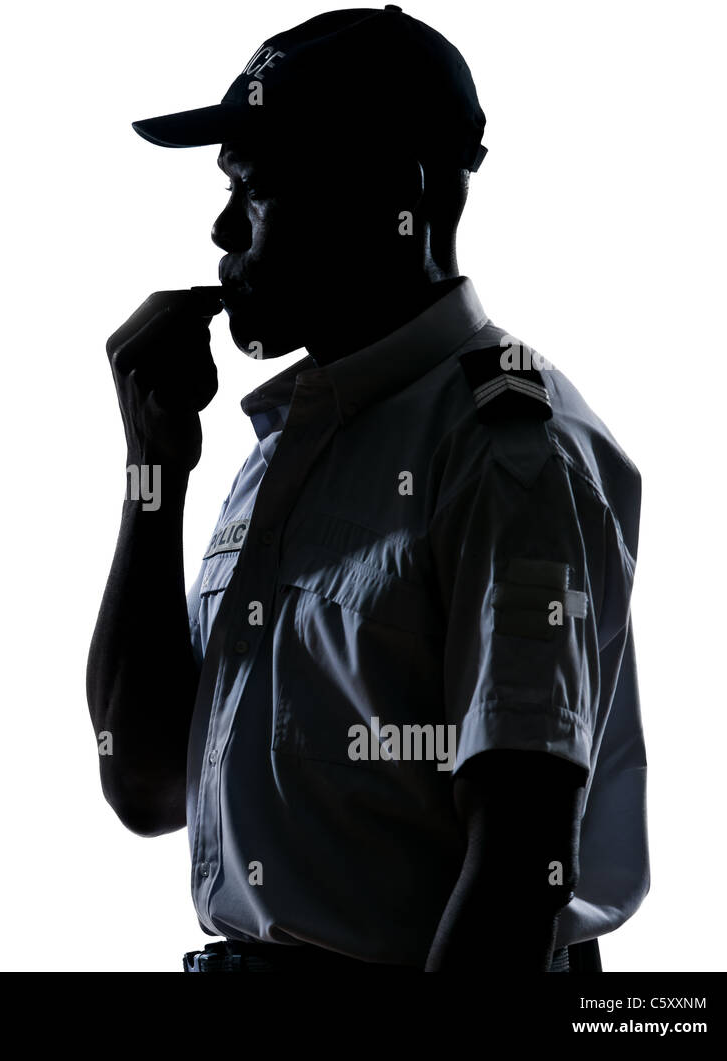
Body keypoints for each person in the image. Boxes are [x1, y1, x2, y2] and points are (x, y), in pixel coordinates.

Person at [85, 6, 648, 972]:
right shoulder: (291, 444)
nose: (221, 229)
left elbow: (521, 867)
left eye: (254, 189)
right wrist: (156, 471)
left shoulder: (509, 450)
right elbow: (145, 784)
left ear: (400, 191)